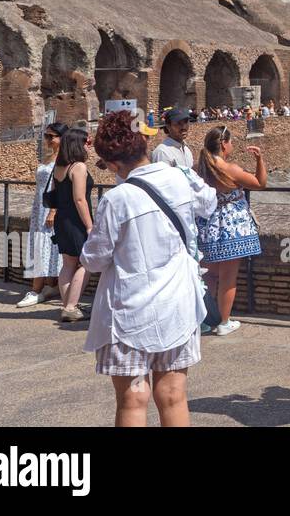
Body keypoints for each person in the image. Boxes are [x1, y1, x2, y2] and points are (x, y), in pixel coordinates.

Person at [82, 110, 218, 426]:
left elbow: (94, 259)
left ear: (113, 164)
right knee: (173, 396)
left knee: (132, 400)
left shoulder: (117, 199)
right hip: (177, 304)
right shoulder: (181, 178)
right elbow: (209, 203)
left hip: (130, 309)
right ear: (144, 143)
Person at [194, 126, 266, 336]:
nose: (232, 145)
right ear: (224, 144)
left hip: (207, 225)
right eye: (231, 141)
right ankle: (223, 322)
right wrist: (260, 159)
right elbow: (260, 183)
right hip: (231, 228)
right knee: (228, 277)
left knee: (208, 276)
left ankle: (205, 321)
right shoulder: (230, 169)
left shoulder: (200, 167)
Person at [46, 127, 95, 322]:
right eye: (86, 143)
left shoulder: (59, 167)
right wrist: (90, 226)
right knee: (87, 262)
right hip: (76, 221)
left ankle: (68, 306)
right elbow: (80, 200)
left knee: (68, 264)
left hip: (62, 219)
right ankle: (72, 306)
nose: (88, 147)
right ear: (78, 145)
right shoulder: (79, 167)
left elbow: (56, 194)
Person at [17, 122, 66, 307]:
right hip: (39, 207)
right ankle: (51, 285)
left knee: (43, 246)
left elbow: (62, 188)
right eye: (46, 136)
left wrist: (53, 211)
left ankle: (35, 290)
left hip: (50, 208)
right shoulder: (49, 156)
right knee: (42, 246)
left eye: (51, 136)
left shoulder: (64, 159)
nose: (47, 139)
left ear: (62, 138)